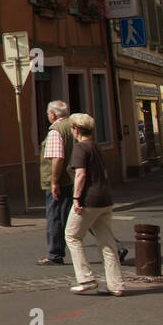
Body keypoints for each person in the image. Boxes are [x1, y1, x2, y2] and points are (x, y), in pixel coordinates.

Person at [64, 113, 125, 296]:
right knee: (107, 243)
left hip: (88, 199)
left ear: (76, 129)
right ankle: (116, 285)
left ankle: (86, 278)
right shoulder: (96, 147)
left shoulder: (80, 148)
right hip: (105, 198)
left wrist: (76, 198)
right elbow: (104, 173)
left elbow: (81, 175)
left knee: (72, 236)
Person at [37, 100, 76, 266]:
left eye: (47, 113)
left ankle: (54, 254)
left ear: (52, 114)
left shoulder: (55, 131)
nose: (47, 116)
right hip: (74, 177)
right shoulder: (74, 127)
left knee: (55, 217)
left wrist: (54, 182)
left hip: (61, 180)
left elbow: (57, 158)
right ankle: (115, 247)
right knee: (81, 216)